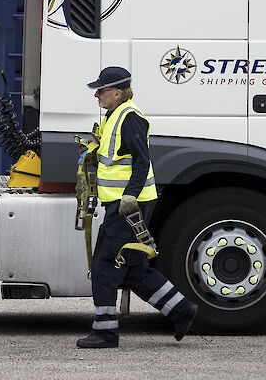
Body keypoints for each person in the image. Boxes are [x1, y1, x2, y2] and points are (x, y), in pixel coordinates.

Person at [76, 66, 198, 349]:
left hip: (127, 205)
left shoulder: (129, 118)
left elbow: (142, 161)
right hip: (122, 203)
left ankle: (105, 332)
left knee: (105, 264)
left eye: (102, 90)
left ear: (117, 93)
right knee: (133, 267)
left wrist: (129, 196)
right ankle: (180, 310)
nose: (97, 94)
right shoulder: (115, 115)